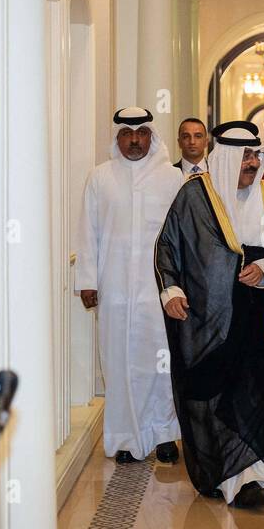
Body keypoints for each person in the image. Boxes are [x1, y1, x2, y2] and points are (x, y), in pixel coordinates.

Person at [155, 121, 264, 508]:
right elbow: (167, 247)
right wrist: (171, 290)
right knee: (215, 394)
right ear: (224, 157)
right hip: (209, 318)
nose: (252, 162)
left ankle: (255, 476)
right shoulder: (193, 196)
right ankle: (224, 475)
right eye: (243, 155)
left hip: (258, 316)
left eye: (256, 154)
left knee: (257, 391)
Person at [76, 107, 183, 465]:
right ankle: (124, 437)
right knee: (118, 361)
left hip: (159, 291)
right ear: (117, 138)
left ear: (151, 137)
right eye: (127, 134)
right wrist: (88, 280)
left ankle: (165, 433)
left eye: (141, 134)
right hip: (115, 288)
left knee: (160, 362)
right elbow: (88, 232)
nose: (134, 140)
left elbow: (181, 238)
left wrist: (179, 285)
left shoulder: (171, 179)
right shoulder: (100, 178)